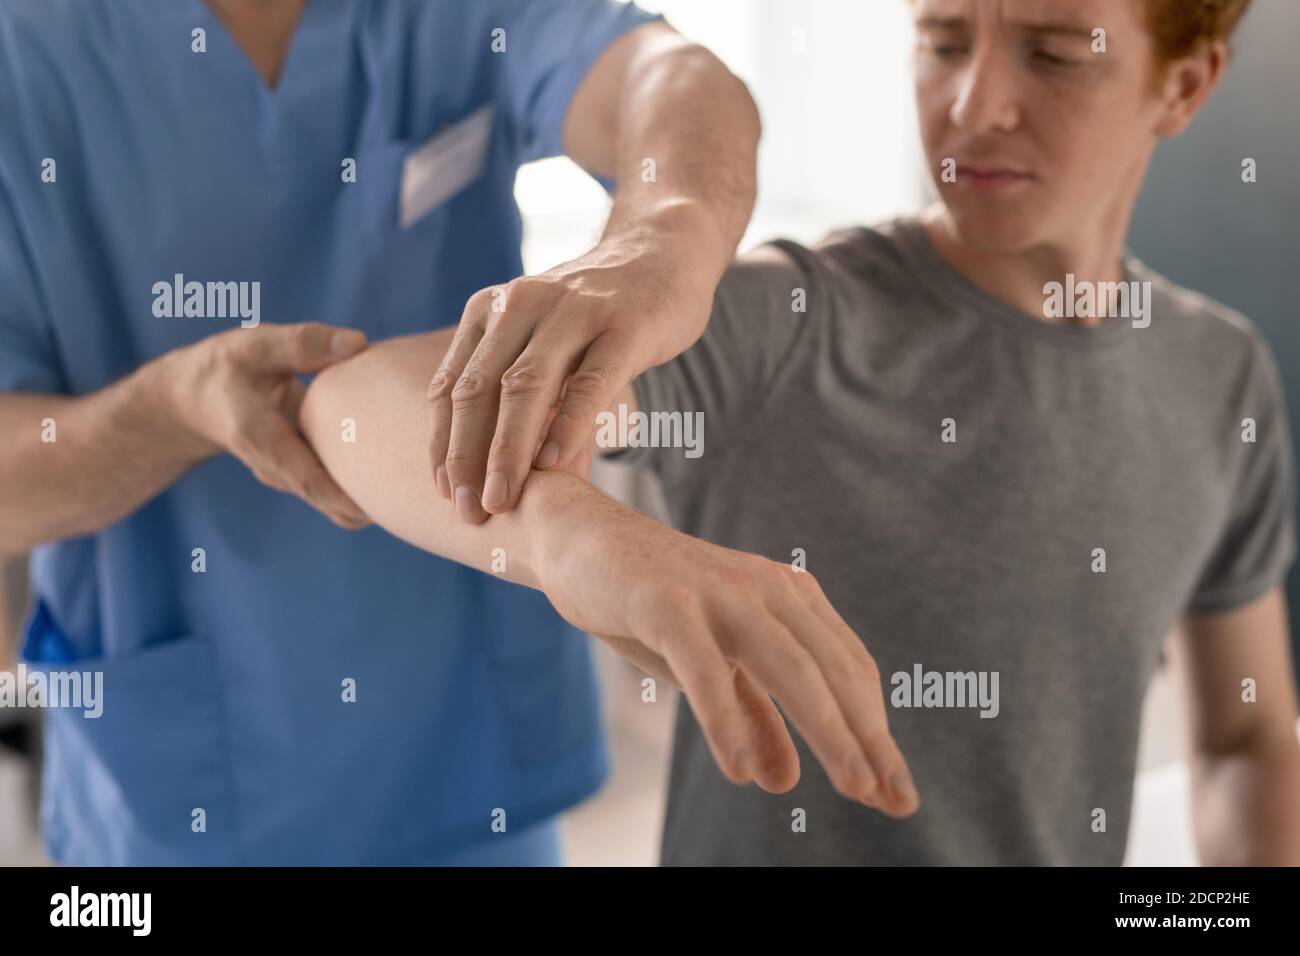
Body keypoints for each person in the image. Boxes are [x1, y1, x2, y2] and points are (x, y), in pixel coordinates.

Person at [298, 0, 1300, 864]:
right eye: (943, 41)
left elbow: (1250, 731)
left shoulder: (1219, 376)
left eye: (1052, 53)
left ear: (1182, 86)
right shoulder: (794, 322)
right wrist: (579, 535)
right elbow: (351, 400)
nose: (973, 104)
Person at [0, 0, 764, 865]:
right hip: (193, 776)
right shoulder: (30, 54)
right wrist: (173, 408)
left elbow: (669, 75)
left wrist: (661, 240)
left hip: (461, 745)